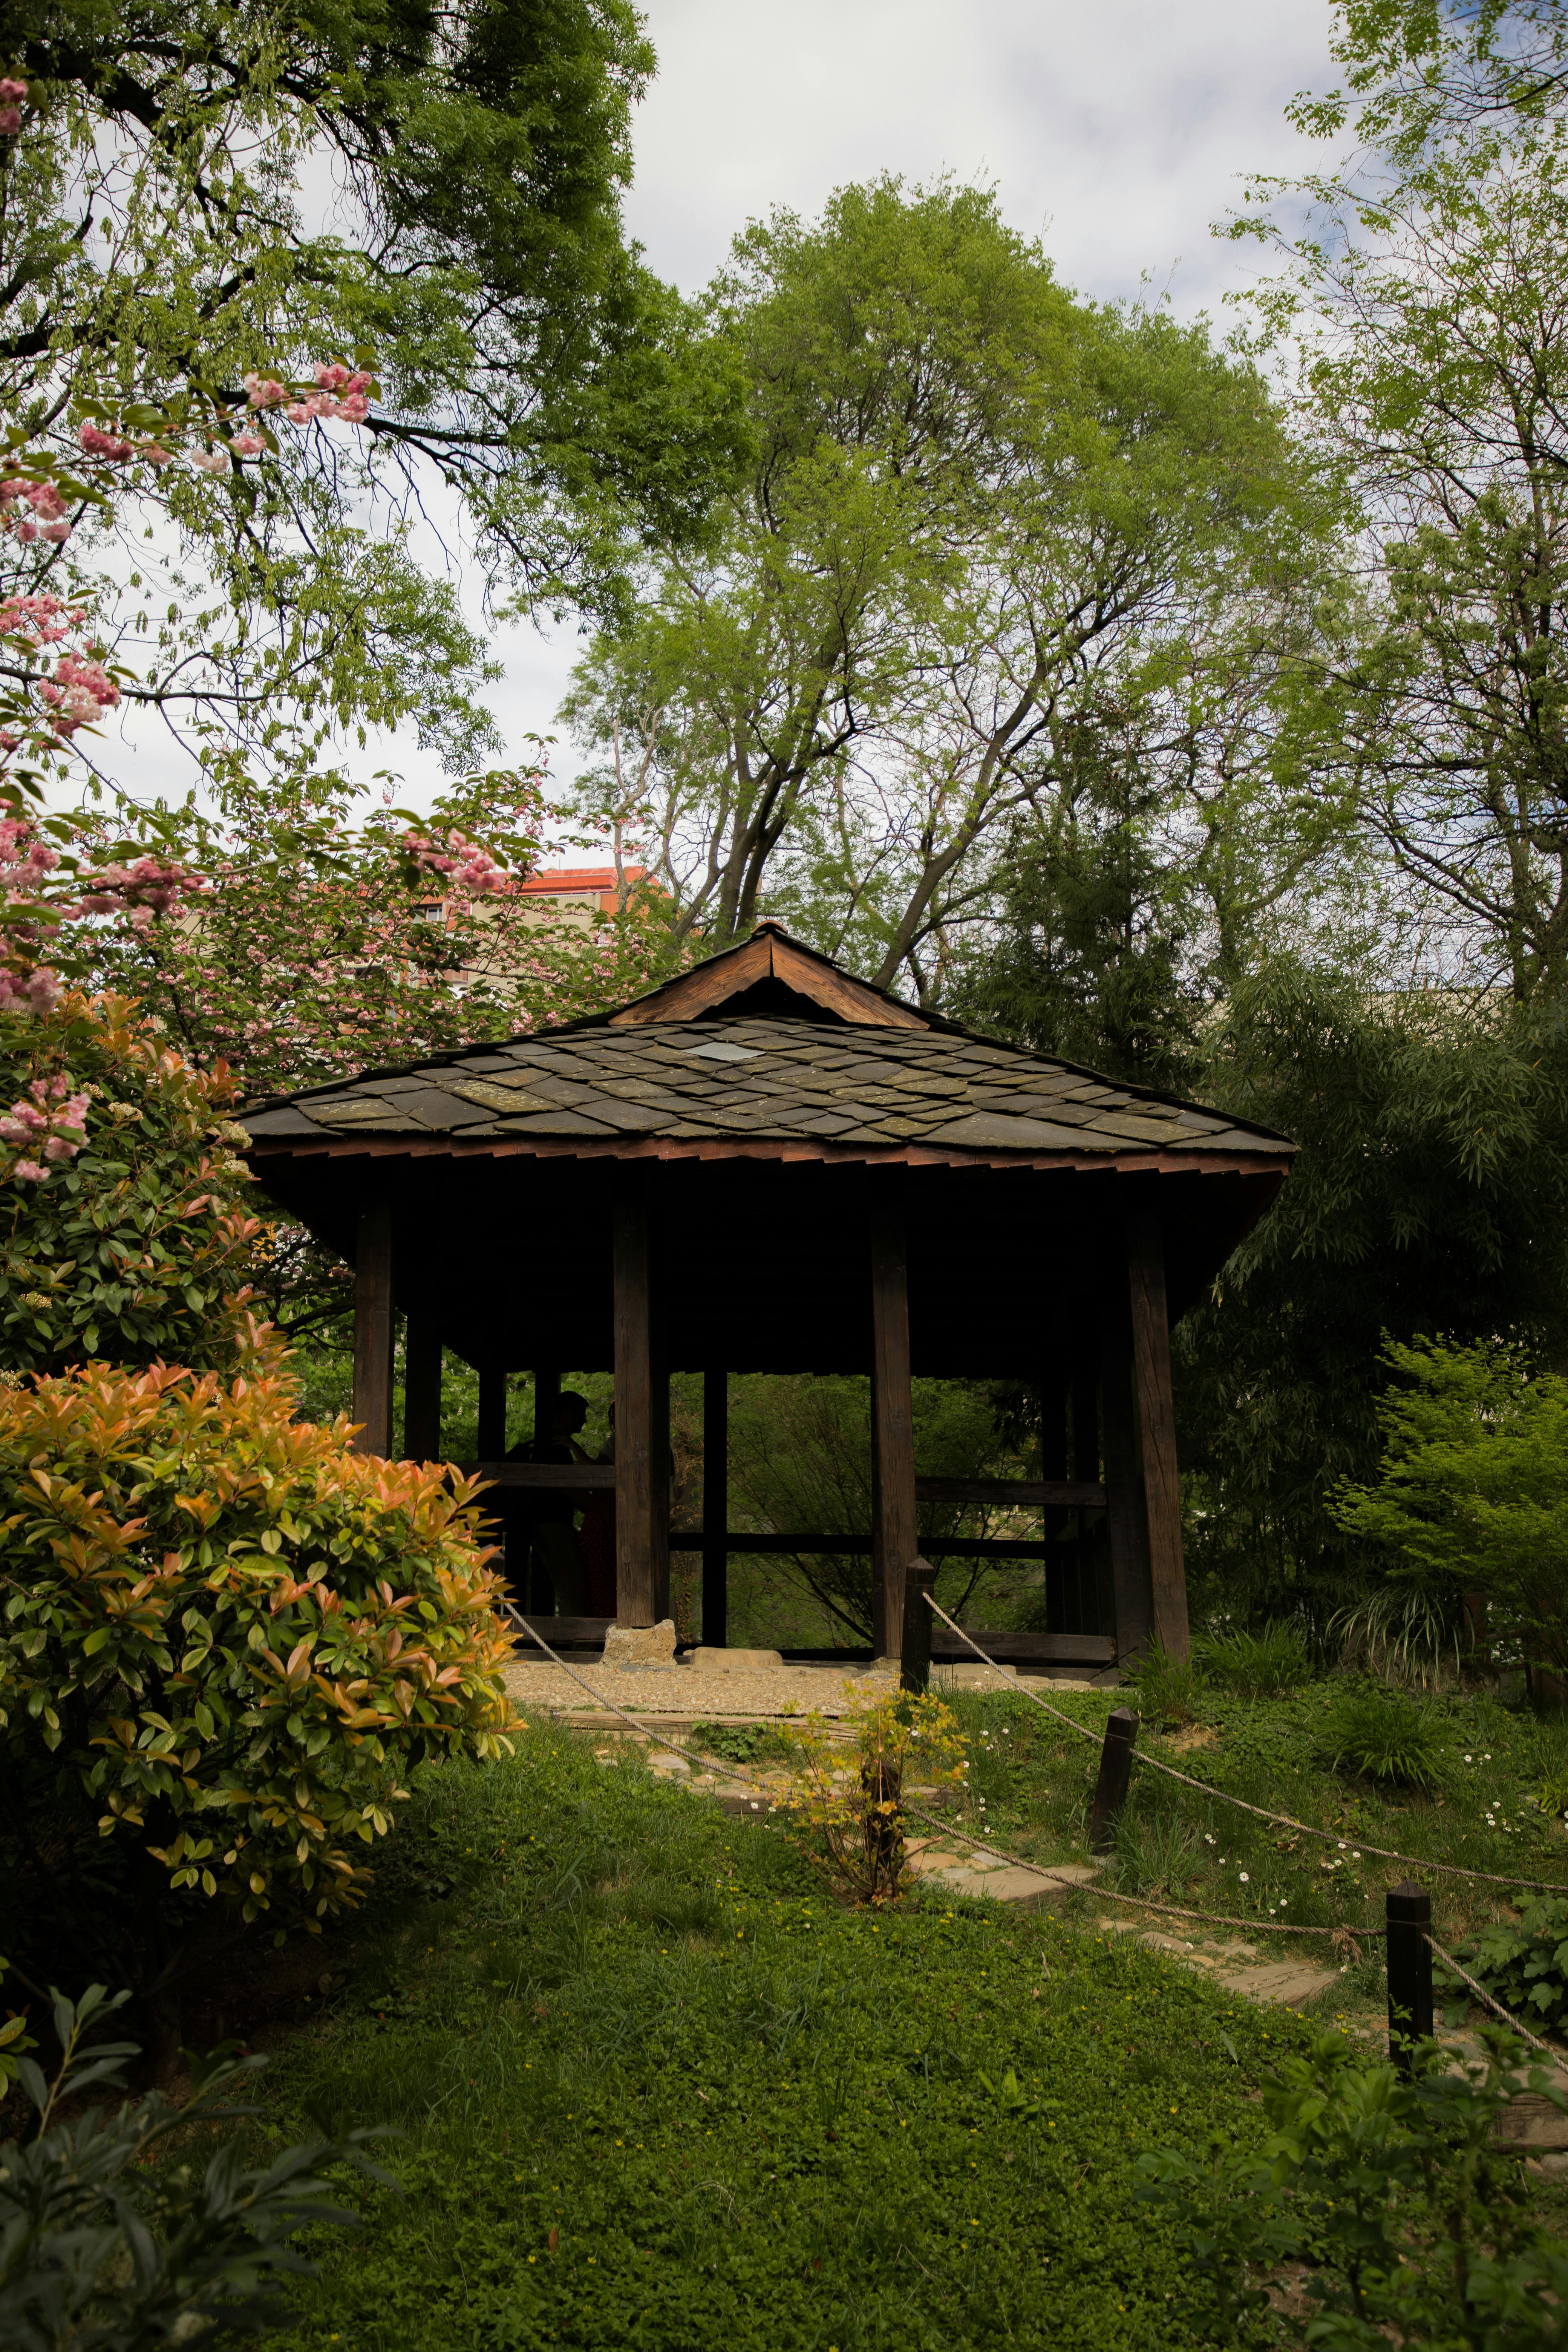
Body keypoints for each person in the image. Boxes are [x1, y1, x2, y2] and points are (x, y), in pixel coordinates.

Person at [505, 1390, 591, 1617]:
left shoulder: (547, 1444)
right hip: (552, 1525)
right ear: (565, 1414)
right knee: (572, 1590)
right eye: (580, 1413)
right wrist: (597, 1506)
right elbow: (568, 1489)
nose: (584, 1420)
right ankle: (575, 1637)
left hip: (545, 1524)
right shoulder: (557, 1447)